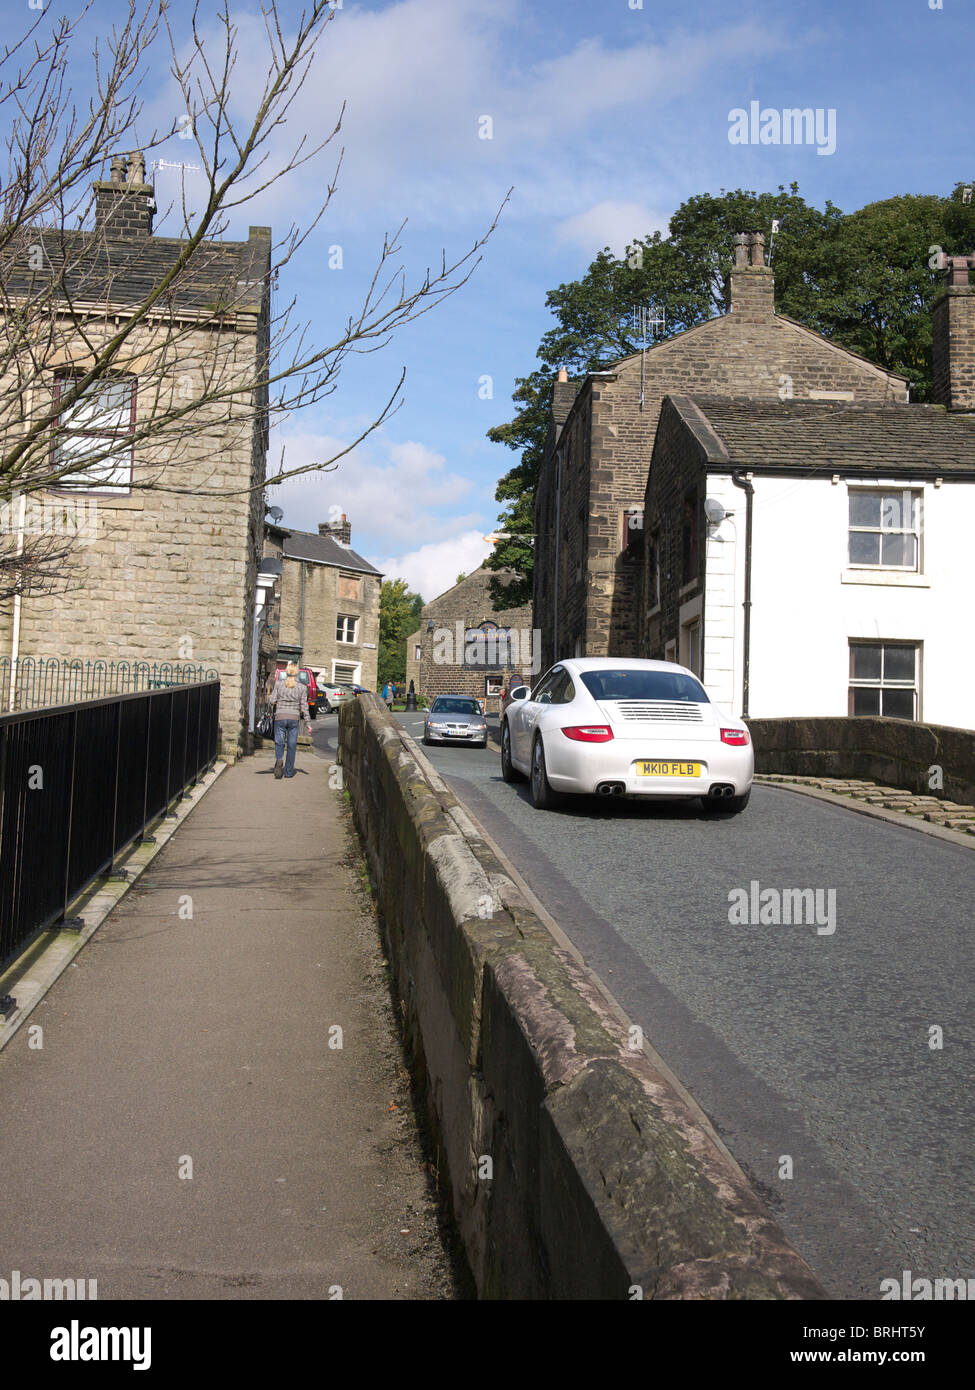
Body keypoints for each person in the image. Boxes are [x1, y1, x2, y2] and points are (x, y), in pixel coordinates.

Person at [268, 661, 311, 779]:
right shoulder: (302, 687)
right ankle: (288, 772)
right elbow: (304, 706)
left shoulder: (278, 684)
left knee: (279, 742)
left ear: (287, 672)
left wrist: (279, 701)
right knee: (292, 745)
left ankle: (279, 759)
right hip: (294, 718)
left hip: (280, 717)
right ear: (297, 673)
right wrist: (308, 723)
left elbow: (271, 700)